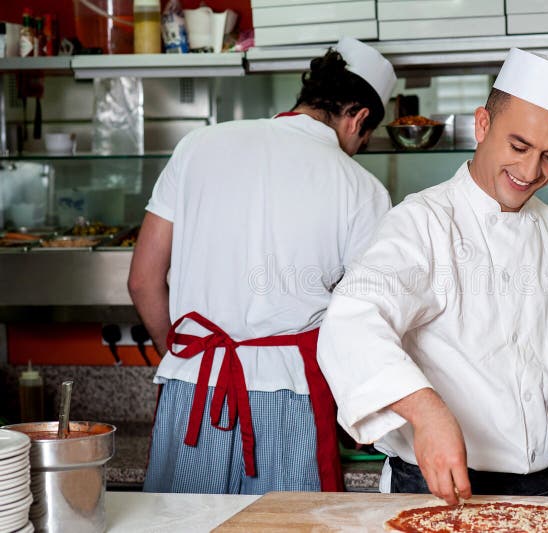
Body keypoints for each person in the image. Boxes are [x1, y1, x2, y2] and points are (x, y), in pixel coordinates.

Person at [317, 48, 548, 505]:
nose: (531, 171)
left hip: (542, 485)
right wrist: (425, 412)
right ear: (482, 125)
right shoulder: (423, 223)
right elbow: (351, 323)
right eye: (519, 147)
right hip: (438, 482)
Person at [128, 37, 396, 495]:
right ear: (359, 118)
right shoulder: (361, 187)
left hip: (193, 387)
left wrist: (183, 355)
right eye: (363, 140)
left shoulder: (197, 145)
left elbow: (142, 281)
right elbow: (368, 320)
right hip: (290, 396)